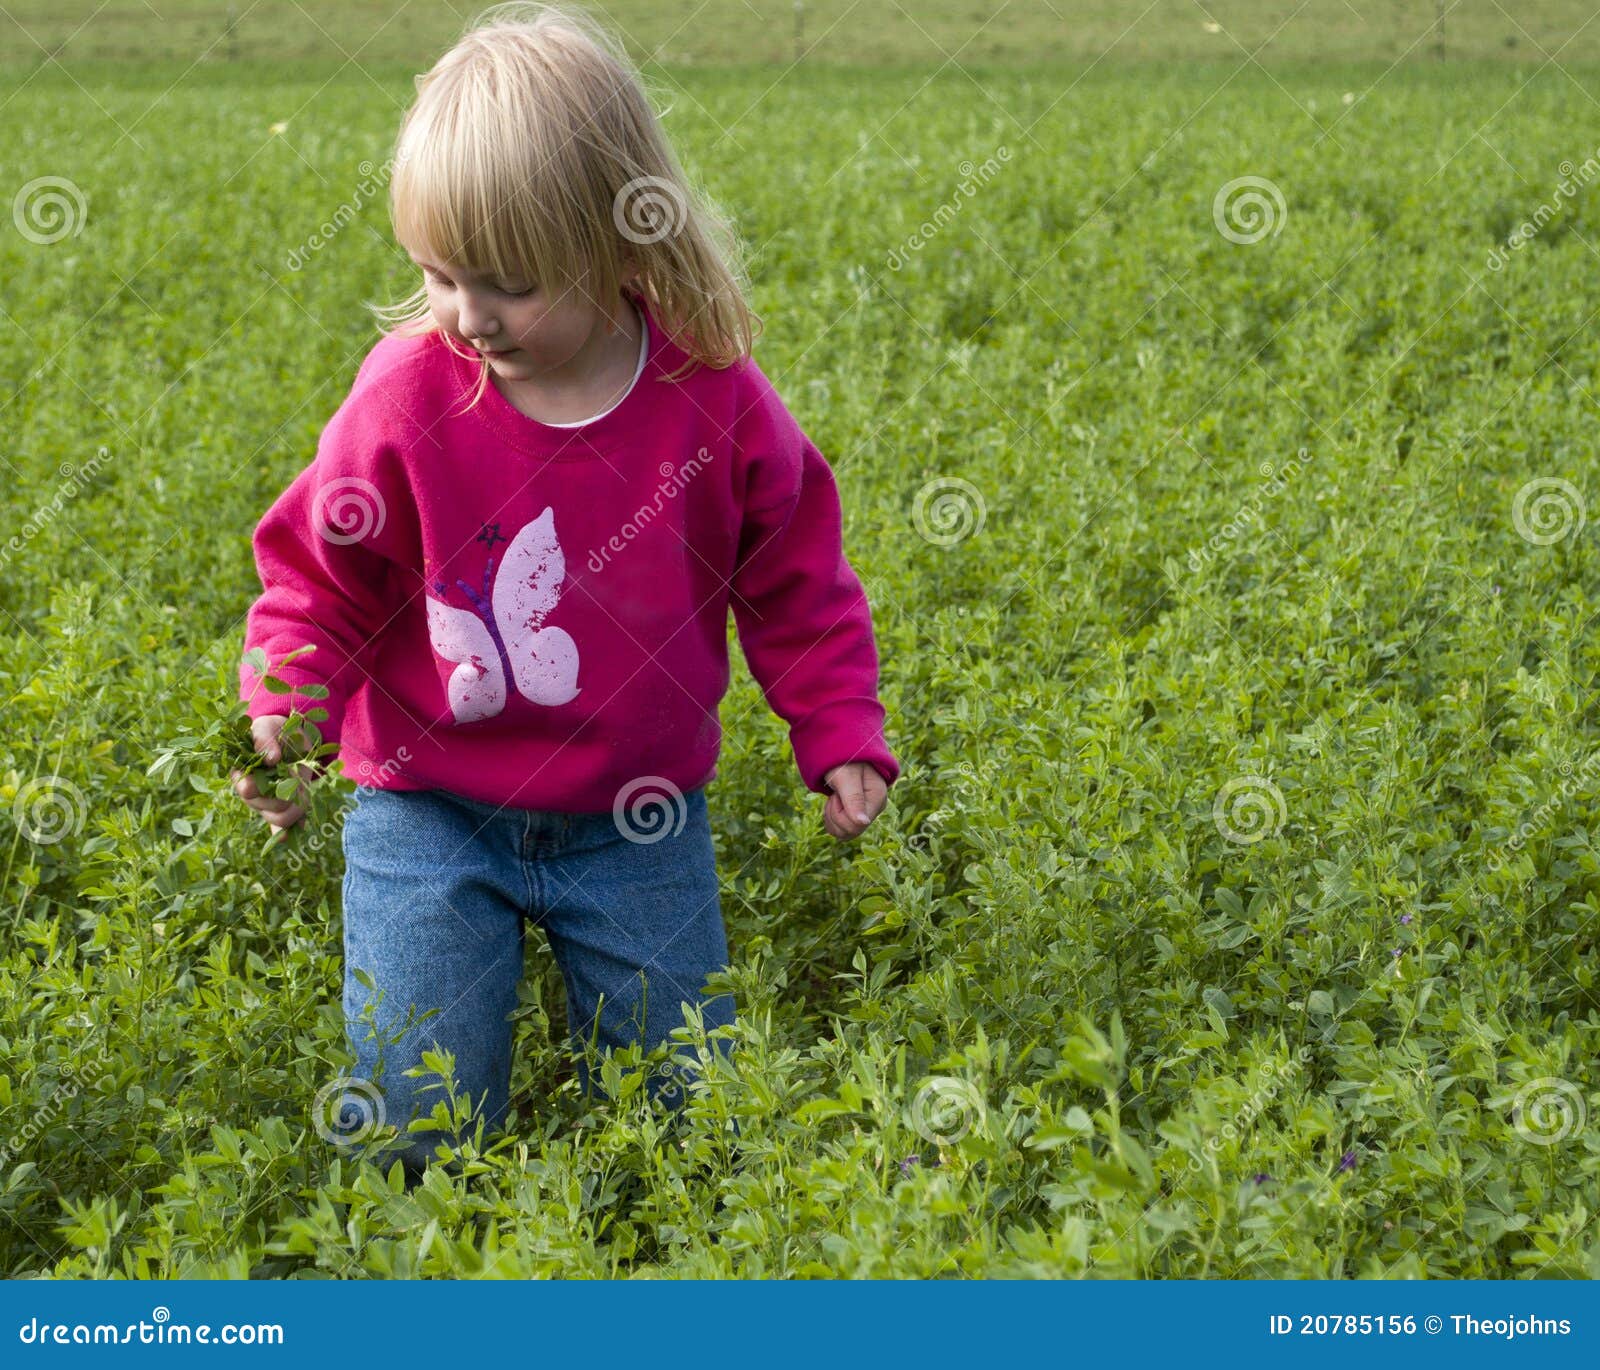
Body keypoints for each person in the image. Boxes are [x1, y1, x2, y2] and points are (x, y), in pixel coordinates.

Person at [228, 2, 900, 1184]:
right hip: (426, 804)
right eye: (438, 275)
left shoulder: (711, 399)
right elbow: (319, 577)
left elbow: (795, 572)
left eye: (509, 284)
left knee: (690, 1116)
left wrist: (837, 725)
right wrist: (285, 705)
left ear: (617, 244)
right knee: (412, 1111)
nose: (467, 316)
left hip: (634, 818)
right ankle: (435, 1284)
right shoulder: (404, 397)